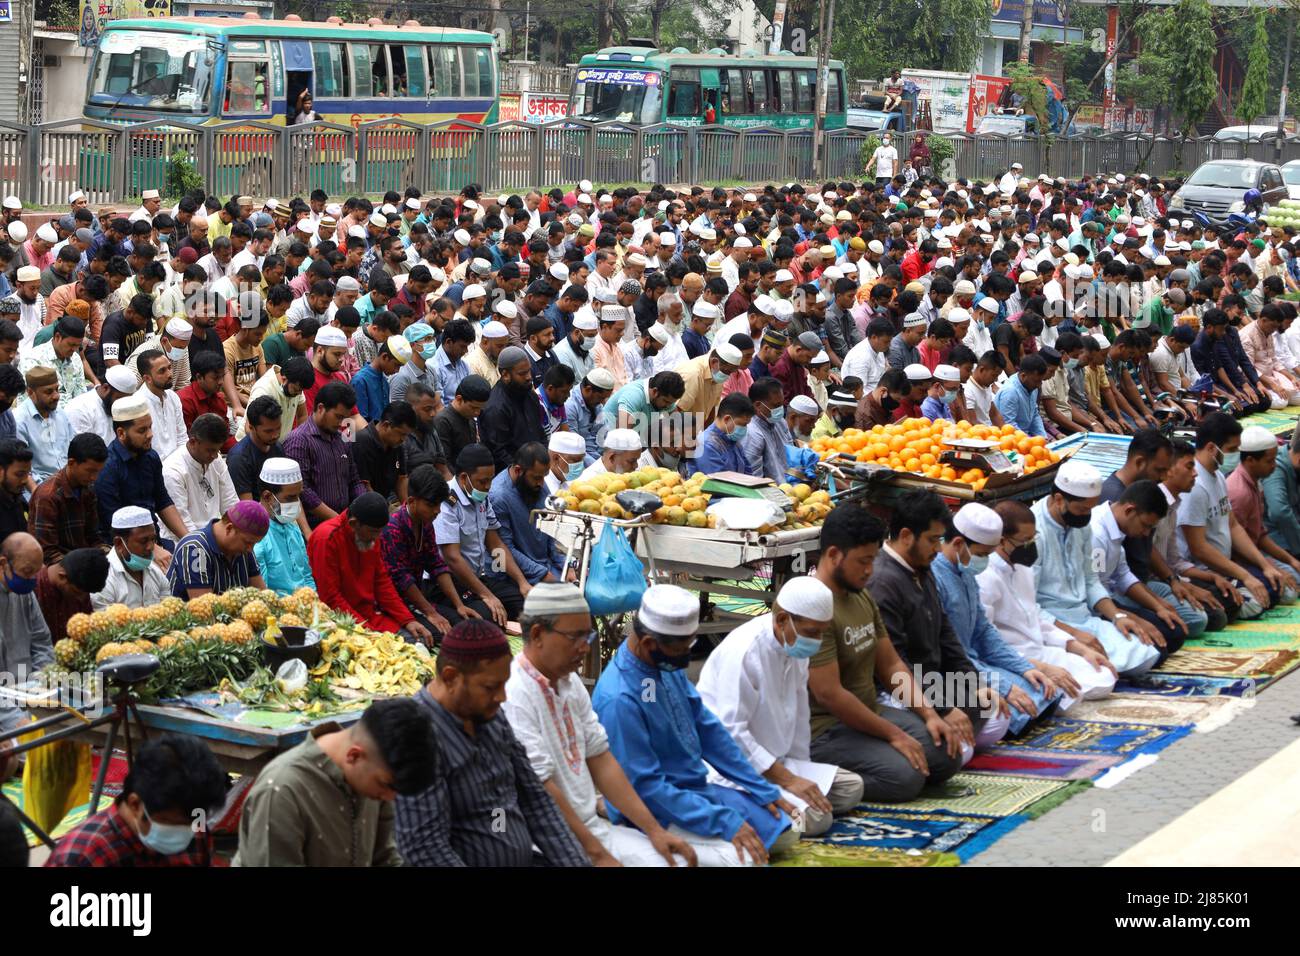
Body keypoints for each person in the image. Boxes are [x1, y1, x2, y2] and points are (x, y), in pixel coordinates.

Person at [592, 584, 795, 865]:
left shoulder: (664, 667)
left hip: (696, 791)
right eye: (682, 647)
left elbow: (708, 729)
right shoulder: (619, 699)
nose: (688, 654)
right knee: (748, 859)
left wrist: (758, 785)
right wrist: (723, 821)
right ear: (650, 643)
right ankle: (618, 821)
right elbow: (646, 787)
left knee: (786, 832)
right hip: (655, 808)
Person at [503, 583, 699, 867]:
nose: (586, 647)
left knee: (676, 859)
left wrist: (653, 830)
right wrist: (598, 856)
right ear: (537, 635)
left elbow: (601, 759)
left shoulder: (570, 683)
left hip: (590, 829)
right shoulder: (514, 693)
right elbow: (541, 789)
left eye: (588, 635)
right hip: (544, 844)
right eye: (576, 637)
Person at [395, 619, 590, 867]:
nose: (501, 697)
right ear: (451, 677)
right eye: (490, 687)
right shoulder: (416, 738)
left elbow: (536, 801)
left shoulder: (490, 716)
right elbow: (426, 850)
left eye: (503, 684)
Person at [806, 504, 965, 802]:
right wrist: (893, 734)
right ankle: (819, 778)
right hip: (825, 729)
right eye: (863, 561)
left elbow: (890, 664)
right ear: (833, 556)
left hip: (867, 710)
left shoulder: (860, 595)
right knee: (905, 778)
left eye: (873, 560)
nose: (870, 570)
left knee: (946, 752)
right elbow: (830, 695)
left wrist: (929, 713)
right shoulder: (813, 607)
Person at [697, 577, 866, 839]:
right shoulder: (745, 651)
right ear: (782, 620)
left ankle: (785, 803)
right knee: (818, 819)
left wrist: (800, 772)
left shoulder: (793, 647)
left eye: (822, 632)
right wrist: (788, 781)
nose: (817, 641)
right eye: (812, 632)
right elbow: (730, 734)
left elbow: (800, 715)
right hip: (735, 770)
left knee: (852, 788)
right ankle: (747, 808)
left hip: (780, 763)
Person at [868, 490, 1002, 760]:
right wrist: (941, 709)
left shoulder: (921, 566)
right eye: (932, 540)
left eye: (940, 539)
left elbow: (945, 632)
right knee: (953, 752)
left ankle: (952, 741)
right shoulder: (883, 582)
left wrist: (973, 682)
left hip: (934, 681)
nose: (938, 549)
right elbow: (896, 666)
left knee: (995, 712)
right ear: (906, 536)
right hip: (898, 691)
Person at [234, 697, 438, 867]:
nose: (390, 797)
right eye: (386, 785)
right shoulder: (282, 790)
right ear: (354, 756)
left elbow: (384, 859)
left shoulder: (375, 778)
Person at [932, 503, 1061, 736]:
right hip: (950, 672)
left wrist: (1023, 668)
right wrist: (999, 684)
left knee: (1043, 690)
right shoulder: (936, 579)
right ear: (959, 544)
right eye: (981, 555)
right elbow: (949, 654)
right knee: (1005, 715)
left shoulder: (967, 573)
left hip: (976, 665)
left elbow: (983, 632)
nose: (985, 561)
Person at [978, 500, 1118, 707]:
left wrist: (1077, 647)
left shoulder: (1023, 567)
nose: (1030, 546)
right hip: (1014, 660)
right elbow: (987, 644)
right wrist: (1042, 668)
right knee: (1062, 696)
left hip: (1040, 650)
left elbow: (1035, 618)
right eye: (1024, 541)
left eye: (1033, 538)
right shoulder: (985, 576)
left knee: (1104, 676)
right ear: (1001, 541)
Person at [1030, 459, 1162, 677]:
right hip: (1052, 625)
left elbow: (1090, 580)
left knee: (1146, 654)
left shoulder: (1081, 526)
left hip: (1084, 618)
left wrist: (1118, 617)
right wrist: (1073, 636)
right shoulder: (1033, 533)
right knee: (1100, 675)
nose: (1087, 515)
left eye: (1090, 509)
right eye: (1082, 509)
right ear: (1059, 499)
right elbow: (1028, 606)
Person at [45, 735, 229, 867]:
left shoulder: (194, 825)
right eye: (171, 823)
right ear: (135, 804)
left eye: (193, 822)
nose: (189, 832)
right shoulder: (82, 858)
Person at [1179, 413, 1290, 611]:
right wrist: (1245, 575)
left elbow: (1233, 526)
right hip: (1204, 570)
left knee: (1277, 587)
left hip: (1226, 565)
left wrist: (1264, 565)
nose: (1235, 456)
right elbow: (1199, 549)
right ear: (1212, 448)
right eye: (1231, 450)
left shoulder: (1218, 477)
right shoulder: (1194, 485)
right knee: (1257, 601)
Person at [308, 491, 432, 643]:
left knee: (421, 640)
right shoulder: (326, 538)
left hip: (371, 616)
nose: (378, 537)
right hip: (340, 624)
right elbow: (330, 598)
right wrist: (367, 633)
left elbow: (381, 582)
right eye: (375, 532)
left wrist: (407, 619)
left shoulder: (370, 535)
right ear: (354, 524)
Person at [1091, 480, 1189, 666]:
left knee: (1173, 631)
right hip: (1097, 607)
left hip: (1109, 599)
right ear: (1129, 511)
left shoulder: (1117, 527)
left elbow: (1124, 575)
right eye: (1145, 526)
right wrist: (1128, 617)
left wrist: (1158, 607)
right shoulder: (1097, 534)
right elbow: (1093, 591)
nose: (1145, 534)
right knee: (1156, 651)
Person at [436, 443, 532, 626]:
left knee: (527, 604)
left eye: (491, 480)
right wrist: (487, 596)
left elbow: (496, 546)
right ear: (464, 477)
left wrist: (521, 582)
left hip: (479, 577)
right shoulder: (447, 502)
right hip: (452, 583)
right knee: (486, 617)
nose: (488, 487)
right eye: (483, 481)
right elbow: (452, 558)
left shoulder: (480, 496)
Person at [94, 392, 189, 543]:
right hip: (125, 547)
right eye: (142, 430)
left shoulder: (151, 457)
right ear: (121, 433)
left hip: (153, 540)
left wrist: (189, 538)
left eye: (150, 427)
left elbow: (162, 501)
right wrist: (152, 548)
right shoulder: (108, 469)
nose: (150, 434)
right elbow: (113, 524)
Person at [283, 381, 367, 527]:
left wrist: (363, 509)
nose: (342, 423)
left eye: (345, 418)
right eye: (338, 417)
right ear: (321, 408)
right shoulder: (298, 440)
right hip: (316, 526)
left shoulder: (343, 437)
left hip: (346, 520)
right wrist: (339, 520)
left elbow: (354, 480)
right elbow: (303, 491)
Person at [489, 442, 565, 585]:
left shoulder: (537, 483)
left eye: (544, 477)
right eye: (537, 478)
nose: (542, 483)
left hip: (546, 567)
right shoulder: (498, 497)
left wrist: (565, 565)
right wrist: (541, 573)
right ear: (518, 470)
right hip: (517, 576)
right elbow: (504, 548)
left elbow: (550, 529)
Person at [0, 533, 53, 736]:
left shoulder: (25, 593)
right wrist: (16, 719)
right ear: (3, 563)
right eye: (27, 572)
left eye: (35, 574)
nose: (32, 580)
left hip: (30, 694)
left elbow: (41, 642)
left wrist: (44, 684)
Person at [161, 413, 239, 542]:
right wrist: (210, 546)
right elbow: (183, 523)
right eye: (210, 450)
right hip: (181, 541)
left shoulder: (216, 460)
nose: (214, 456)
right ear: (193, 442)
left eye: (217, 450)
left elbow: (230, 503)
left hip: (216, 534)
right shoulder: (172, 472)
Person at [168, 500, 268, 598]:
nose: (250, 549)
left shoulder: (244, 548)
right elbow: (203, 608)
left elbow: (262, 595)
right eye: (248, 542)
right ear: (229, 528)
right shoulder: (195, 548)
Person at [252, 457, 315, 597]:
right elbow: (263, 595)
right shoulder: (256, 537)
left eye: (298, 496)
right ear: (268, 496)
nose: (296, 503)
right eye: (290, 498)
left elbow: (306, 575)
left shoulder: (292, 525)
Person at [478, 346, 547, 472]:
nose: (529, 377)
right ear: (505, 375)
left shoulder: (530, 395)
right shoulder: (495, 408)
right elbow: (500, 454)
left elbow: (540, 433)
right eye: (522, 373)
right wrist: (524, 473)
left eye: (529, 371)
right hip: (513, 474)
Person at [92, 505, 170, 610]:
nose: (151, 547)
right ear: (119, 543)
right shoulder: (102, 581)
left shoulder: (155, 571)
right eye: (143, 541)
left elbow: (169, 614)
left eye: (153, 540)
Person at [15, 365, 74, 486]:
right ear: (31, 392)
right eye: (49, 391)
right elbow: (23, 468)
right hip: (39, 487)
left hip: (68, 482)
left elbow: (73, 448)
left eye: (57, 389)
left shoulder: (61, 414)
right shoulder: (19, 420)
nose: (56, 396)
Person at [352, 402, 415, 503]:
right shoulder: (362, 442)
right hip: (365, 505)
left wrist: (406, 510)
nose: (404, 439)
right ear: (386, 425)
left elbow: (401, 479)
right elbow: (364, 486)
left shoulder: (398, 445)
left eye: (406, 435)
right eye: (401, 434)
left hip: (386, 501)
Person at [65, 364, 139, 447]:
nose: (123, 404)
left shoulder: (119, 406)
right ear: (105, 388)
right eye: (120, 399)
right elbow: (84, 452)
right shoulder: (79, 409)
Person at [177, 351, 234, 453]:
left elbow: (223, 438)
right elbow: (188, 442)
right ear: (199, 377)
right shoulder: (184, 401)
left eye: (222, 376)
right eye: (216, 378)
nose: (221, 382)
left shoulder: (220, 400)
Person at [688, 391, 755, 476]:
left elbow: (748, 472)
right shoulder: (706, 445)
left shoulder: (732, 440)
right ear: (727, 419)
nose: (745, 428)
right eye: (742, 424)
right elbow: (719, 483)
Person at [135, 349, 187, 460]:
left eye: (169, 367)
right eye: (162, 371)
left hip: (178, 465)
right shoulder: (138, 404)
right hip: (154, 467)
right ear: (147, 378)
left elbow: (182, 438)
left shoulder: (173, 397)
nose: (169, 374)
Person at [353, 335, 411, 423]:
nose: (397, 370)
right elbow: (360, 422)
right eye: (396, 365)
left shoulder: (384, 380)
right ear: (384, 357)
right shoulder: (360, 381)